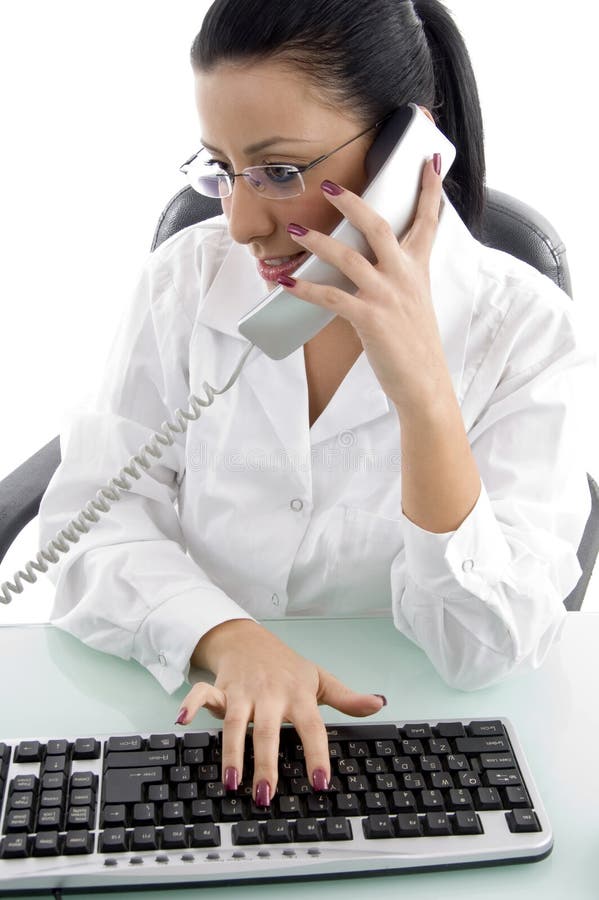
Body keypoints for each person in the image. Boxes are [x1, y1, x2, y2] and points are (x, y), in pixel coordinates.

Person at [38, 0, 594, 810]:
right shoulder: (181, 283)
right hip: (200, 716)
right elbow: (92, 528)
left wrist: (426, 400)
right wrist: (229, 642)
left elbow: (486, 651)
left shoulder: (526, 335)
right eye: (221, 169)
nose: (237, 222)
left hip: (414, 744)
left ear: (407, 153)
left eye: (280, 172)